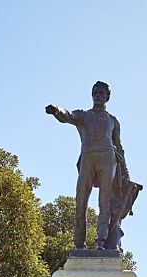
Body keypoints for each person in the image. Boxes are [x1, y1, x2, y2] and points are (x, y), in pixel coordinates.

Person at [46, 81, 126, 250]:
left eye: (101, 93)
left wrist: (125, 171)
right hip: (88, 157)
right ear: (91, 95)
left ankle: (101, 242)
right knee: (81, 200)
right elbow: (67, 115)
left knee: (104, 201)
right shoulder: (83, 115)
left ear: (107, 97)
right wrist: (56, 110)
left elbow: (119, 146)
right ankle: (79, 243)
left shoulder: (113, 120)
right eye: (95, 92)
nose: (98, 95)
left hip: (107, 158)